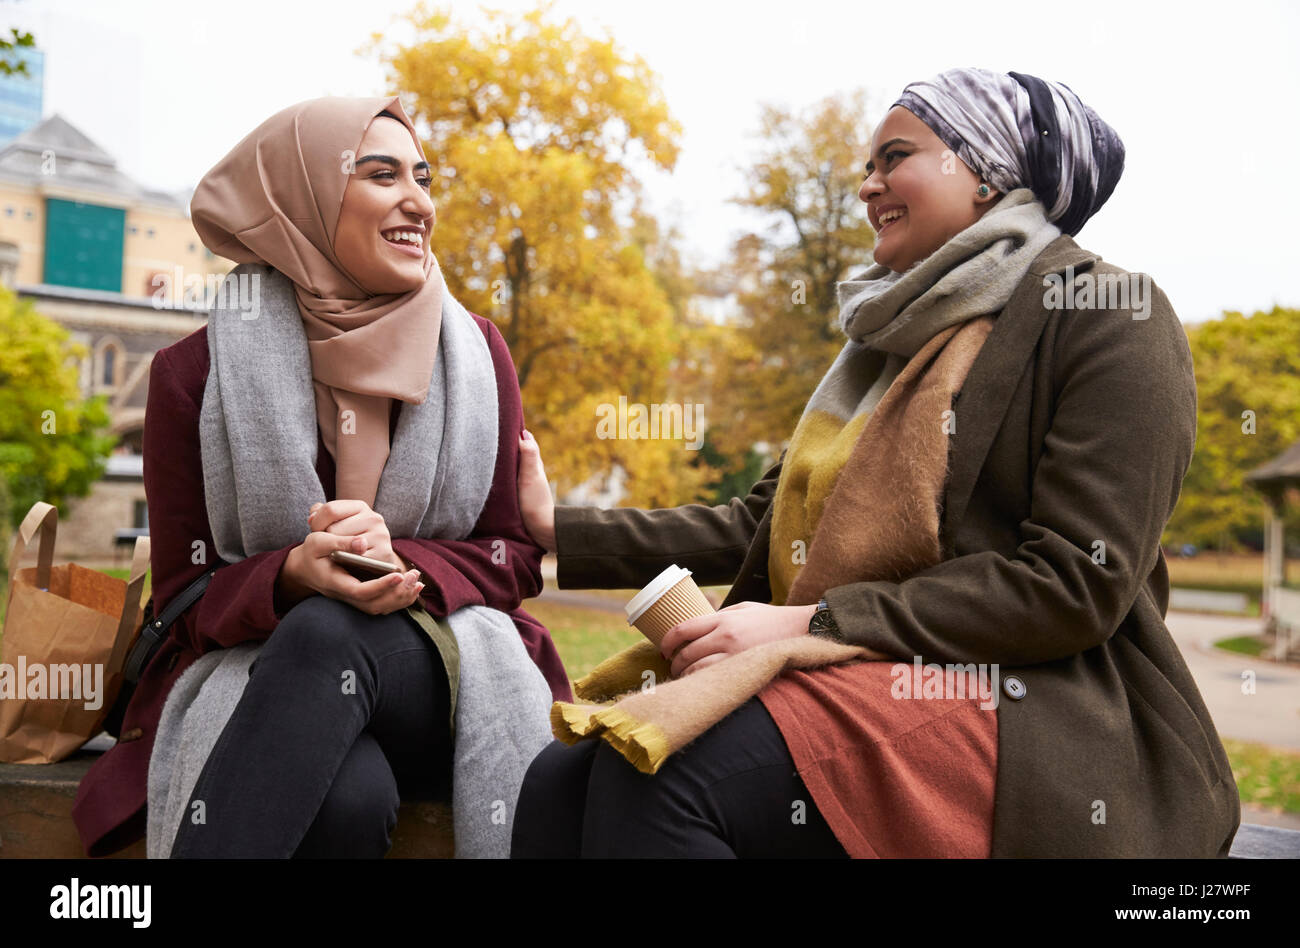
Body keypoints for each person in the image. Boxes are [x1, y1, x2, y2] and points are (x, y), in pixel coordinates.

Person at [508, 68, 1241, 858]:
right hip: (856, 669)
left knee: (665, 776)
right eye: (869, 166)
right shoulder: (886, 343)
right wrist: (559, 528)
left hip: (1035, 703)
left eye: (895, 157)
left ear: (987, 171)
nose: (867, 186)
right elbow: (762, 525)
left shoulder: (1110, 316)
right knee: (563, 774)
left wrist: (807, 623)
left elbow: (1071, 584)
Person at [71, 97, 571, 859]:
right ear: (300, 202)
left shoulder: (478, 357)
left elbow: (513, 554)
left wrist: (403, 562)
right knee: (347, 801)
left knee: (329, 629)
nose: (419, 203)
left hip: (448, 675)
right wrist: (290, 577)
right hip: (272, 684)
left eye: (424, 178)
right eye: (382, 176)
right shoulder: (194, 375)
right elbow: (184, 595)